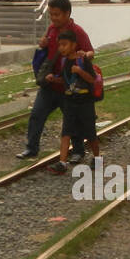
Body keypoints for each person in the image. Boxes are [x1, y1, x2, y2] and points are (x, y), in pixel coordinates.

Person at [17, 0, 93, 159]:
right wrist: (43, 44)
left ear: (67, 14)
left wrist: (84, 55)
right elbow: (47, 51)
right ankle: (31, 148)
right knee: (37, 114)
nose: (53, 18)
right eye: (51, 14)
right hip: (49, 84)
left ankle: (78, 150)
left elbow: (90, 52)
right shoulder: (51, 29)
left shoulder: (77, 32)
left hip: (69, 86)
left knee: (73, 120)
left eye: (56, 14)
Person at [48, 34, 100, 174]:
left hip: (85, 103)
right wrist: (54, 79)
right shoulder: (65, 61)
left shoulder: (82, 60)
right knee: (66, 132)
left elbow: (92, 79)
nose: (61, 48)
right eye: (60, 45)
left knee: (90, 133)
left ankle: (97, 157)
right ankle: (62, 162)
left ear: (74, 45)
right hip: (70, 102)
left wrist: (79, 71)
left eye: (64, 44)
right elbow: (66, 81)